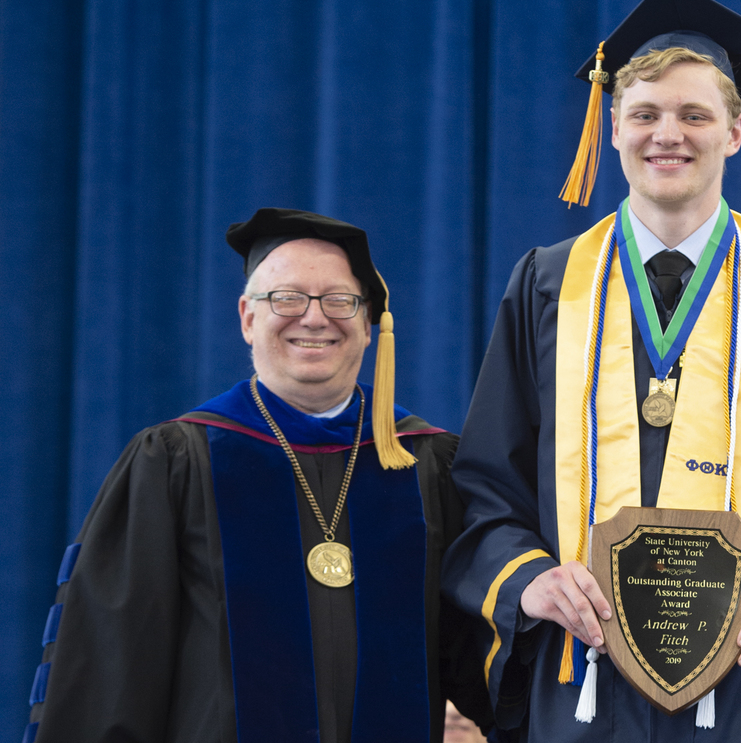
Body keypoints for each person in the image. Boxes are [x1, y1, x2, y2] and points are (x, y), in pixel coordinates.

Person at [442, 0, 741, 741]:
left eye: (695, 114)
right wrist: (531, 582)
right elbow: (489, 489)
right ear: (612, 126)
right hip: (585, 682)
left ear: (736, 132)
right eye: (645, 114)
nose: (669, 134)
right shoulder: (549, 285)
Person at [23, 208, 490, 743]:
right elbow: (110, 664)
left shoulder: (423, 464)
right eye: (286, 298)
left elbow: (481, 653)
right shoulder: (176, 461)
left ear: (367, 325)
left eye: (339, 301)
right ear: (247, 317)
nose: (314, 318)